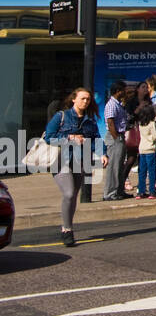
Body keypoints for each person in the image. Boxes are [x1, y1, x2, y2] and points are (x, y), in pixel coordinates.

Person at [42, 87, 105, 246]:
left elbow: (96, 140)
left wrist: (103, 154)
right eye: (83, 98)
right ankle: (67, 230)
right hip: (61, 161)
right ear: (73, 99)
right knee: (69, 193)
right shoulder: (61, 116)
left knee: (73, 196)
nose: (86, 102)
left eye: (88, 99)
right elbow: (49, 138)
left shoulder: (89, 121)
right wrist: (69, 137)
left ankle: (67, 226)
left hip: (80, 162)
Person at [102, 80, 129, 201]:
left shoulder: (118, 104)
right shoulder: (111, 104)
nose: (125, 92)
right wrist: (116, 137)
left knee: (119, 165)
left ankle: (119, 190)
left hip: (120, 135)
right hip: (115, 136)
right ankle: (110, 193)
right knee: (113, 166)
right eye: (123, 90)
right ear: (118, 91)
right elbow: (110, 122)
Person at [134, 102, 156, 199]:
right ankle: (152, 192)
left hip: (142, 149)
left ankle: (141, 192)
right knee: (152, 171)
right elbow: (154, 137)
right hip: (150, 149)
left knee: (142, 172)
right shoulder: (151, 123)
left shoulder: (140, 124)